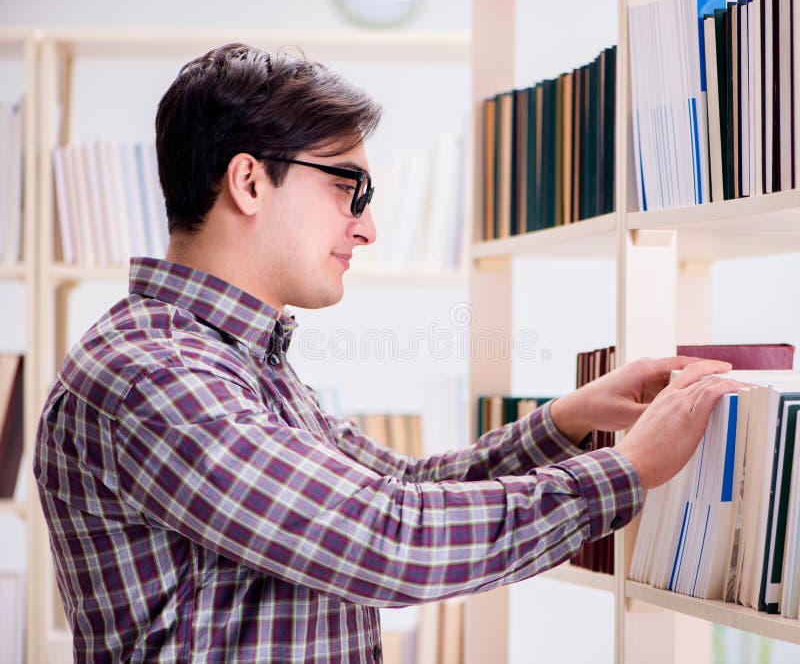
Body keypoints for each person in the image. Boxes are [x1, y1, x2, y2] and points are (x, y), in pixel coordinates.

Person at [35, 43, 740, 663]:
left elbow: (402, 489)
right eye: (349, 189)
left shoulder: (238, 361)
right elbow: (388, 538)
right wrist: (626, 470)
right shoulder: (153, 375)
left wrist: (566, 420)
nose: (367, 227)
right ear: (249, 182)